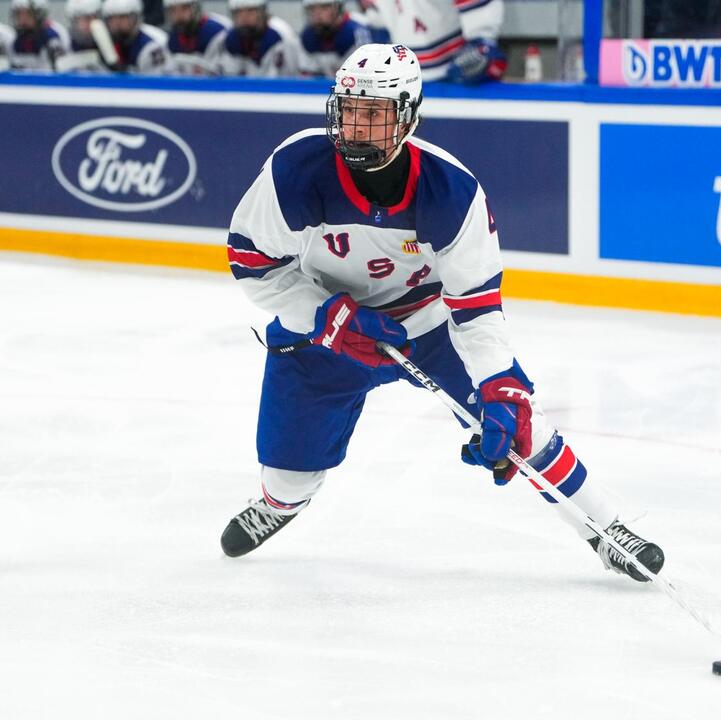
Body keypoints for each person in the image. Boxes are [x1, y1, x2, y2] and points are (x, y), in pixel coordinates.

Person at [219, 43, 666, 585]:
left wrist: (501, 389)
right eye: (350, 111)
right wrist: (326, 316)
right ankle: (281, 504)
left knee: (519, 425)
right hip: (324, 332)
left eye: (374, 114)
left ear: (408, 115)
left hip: (425, 328)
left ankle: (607, 527)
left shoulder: (451, 192)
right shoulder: (298, 167)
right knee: (289, 479)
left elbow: (477, 311)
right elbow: (251, 261)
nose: (357, 128)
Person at [361, 0, 506, 83]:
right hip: (402, 79)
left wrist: (481, 42)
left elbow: (483, 47)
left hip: (454, 79)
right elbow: (377, 19)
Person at [298, 0, 383, 78]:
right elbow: (307, 76)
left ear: (338, 9)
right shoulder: (307, 36)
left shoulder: (356, 32)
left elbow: (364, 76)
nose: (317, 14)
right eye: (312, 9)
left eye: (324, 8)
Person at [220, 0, 299, 77]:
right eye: (238, 12)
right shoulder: (227, 37)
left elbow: (290, 77)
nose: (244, 17)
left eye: (250, 11)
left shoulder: (281, 34)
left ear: (263, 12)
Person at [101, 0, 171, 73]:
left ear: (135, 18)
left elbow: (159, 82)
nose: (117, 23)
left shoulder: (151, 47)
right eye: (111, 19)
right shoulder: (108, 43)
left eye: (123, 17)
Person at [164, 0, 229, 75]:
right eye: (173, 10)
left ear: (195, 8)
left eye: (184, 9)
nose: (179, 15)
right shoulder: (173, 39)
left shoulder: (216, 31)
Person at [8, 0, 68, 70]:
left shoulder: (52, 36)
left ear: (39, 14)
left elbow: (61, 70)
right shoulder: (15, 39)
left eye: (28, 13)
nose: (22, 19)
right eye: (18, 14)